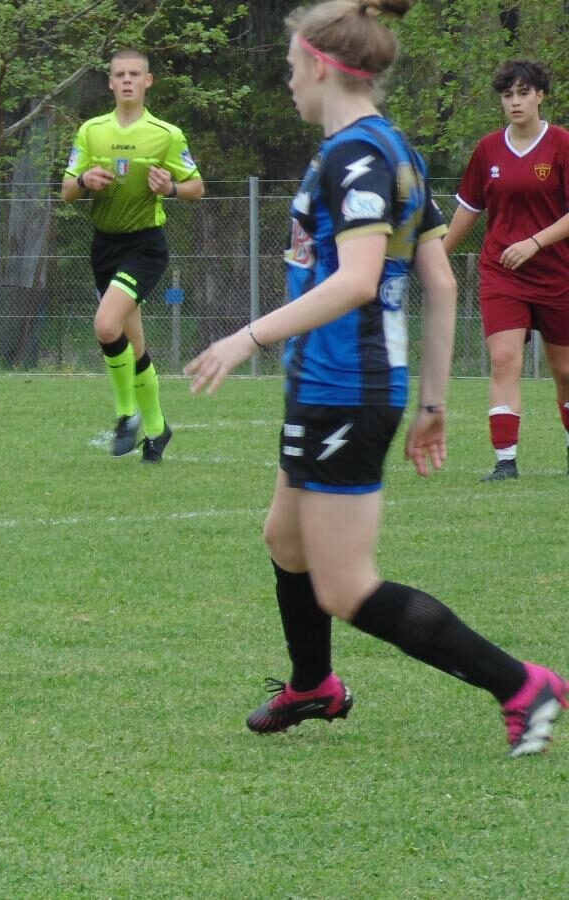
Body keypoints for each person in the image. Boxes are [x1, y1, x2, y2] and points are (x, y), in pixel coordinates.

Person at [184, 0, 566, 757]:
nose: (289, 81)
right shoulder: (391, 148)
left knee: (346, 586)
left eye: (292, 66)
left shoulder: (356, 157)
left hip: (344, 389)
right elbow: (441, 281)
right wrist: (432, 400)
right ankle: (313, 685)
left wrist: (246, 337)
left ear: (321, 67)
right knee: (284, 538)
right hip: (342, 386)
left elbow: (360, 279)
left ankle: (523, 685)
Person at [62, 49, 204, 462]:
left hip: (144, 246)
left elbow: (196, 187)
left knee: (106, 325)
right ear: (110, 83)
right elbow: (67, 191)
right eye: (120, 74)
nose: (127, 80)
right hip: (104, 245)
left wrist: (170, 188)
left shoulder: (166, 134)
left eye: (134, 74)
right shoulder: (91, 131)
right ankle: (157, 429)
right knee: (135, 347)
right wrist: (85, 180)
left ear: (148, 81)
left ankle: (127, 414)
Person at [442, 59, 569, 481]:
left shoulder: (562, 144)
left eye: (523, 93)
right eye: (507, 94)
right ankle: (505, 461)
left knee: (565, 372)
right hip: (503, 273)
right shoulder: (488, 150)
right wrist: (438, 254)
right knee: (503, 360)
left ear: (540, 96)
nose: (515, 101)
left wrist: (535, 242)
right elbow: (469, 208)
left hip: (557, 272)